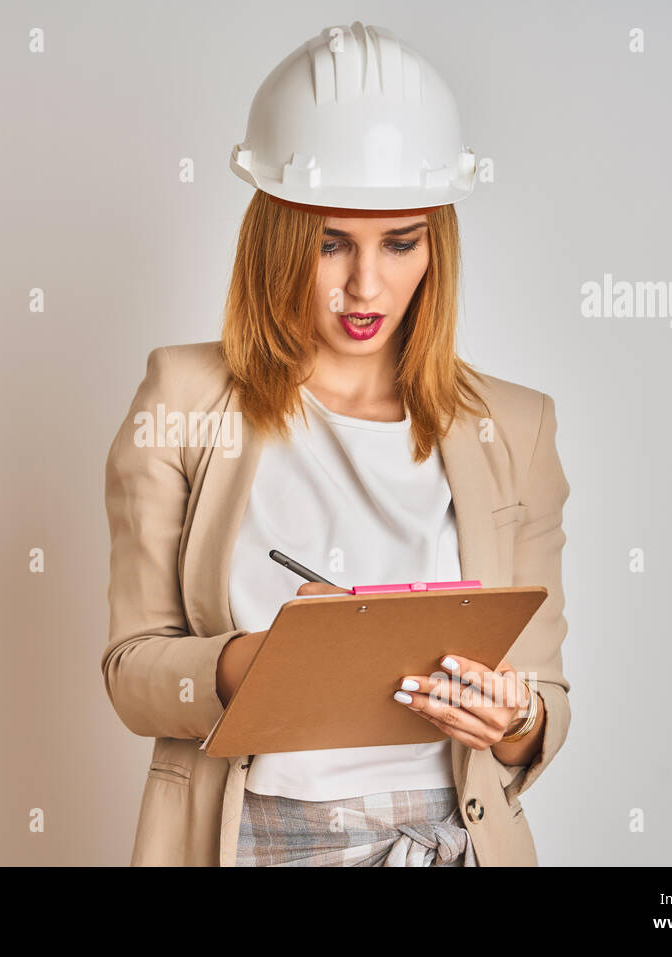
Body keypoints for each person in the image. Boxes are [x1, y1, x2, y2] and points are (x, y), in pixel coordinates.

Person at [101, 21, 571, 866]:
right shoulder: (183, 398)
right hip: (253, 838)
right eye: (331, 243)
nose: (366, 285)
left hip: (450, 843)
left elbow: (545, 697)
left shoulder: (517, 427)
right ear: (278, 237)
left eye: (400, 242)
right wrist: (257, 663)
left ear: (437, 244)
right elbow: (133, 672)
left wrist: (513, 719)